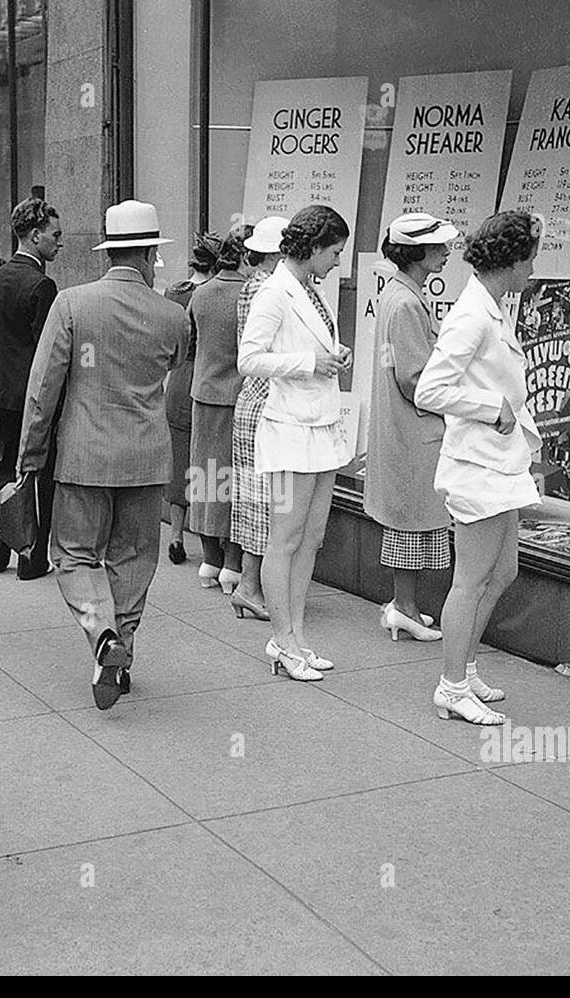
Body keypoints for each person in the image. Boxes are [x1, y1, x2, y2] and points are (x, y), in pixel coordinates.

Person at [18, 199, 189, 710]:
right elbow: (177, 360)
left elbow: (43, 387)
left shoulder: (72, 304)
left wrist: (30, 455)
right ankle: (121, 653)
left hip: (84, 456)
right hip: (146, 457)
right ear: (151, 252)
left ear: (109, 251)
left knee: (73, 554)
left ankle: (102, 635)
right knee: (134, 558)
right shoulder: (172, 316)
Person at [415, 211, 543, 725]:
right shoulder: (472, 314)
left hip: (498, 464)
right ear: (511, 261)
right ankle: (450, 685)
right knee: (469, 581)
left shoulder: (488, 306)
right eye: (530, 258)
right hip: (478, 466)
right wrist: (493, 408)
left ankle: (464, 669)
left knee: (503, 571)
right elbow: (430, 389)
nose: (533, 268)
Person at [237, 205, 351, 682]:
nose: (336, 262)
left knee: (312, 538)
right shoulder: (274, 292)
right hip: (289, 428)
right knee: (284, 540)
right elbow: (249, 358)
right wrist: (308, 363)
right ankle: (282, 640)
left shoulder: (304, 288)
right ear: (314, 247)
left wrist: (331, 356)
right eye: (334, 252)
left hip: (321, 425)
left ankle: (297, 637)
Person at [365, 213, 460, 643]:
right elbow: (413, 378)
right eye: (438, 247)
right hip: (415, 428)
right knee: (412, 522)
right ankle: (404, 605)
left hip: (404, 428)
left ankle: (404, 605)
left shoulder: (399, 295)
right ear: (417, 253)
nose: (445, 253)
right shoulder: (406, 302)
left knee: (409, 518)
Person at [0, 197, 63, 579]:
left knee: (2, 470)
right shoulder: (42, 286)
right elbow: (48, 353)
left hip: (2, 394)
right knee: (37, 475)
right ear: (34, 235)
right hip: (33, 397)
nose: (59, 242)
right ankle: (31, 558)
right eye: (55, 235)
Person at [186, 223, 250, 594]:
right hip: (238, 397)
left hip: (203, 394)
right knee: (236, 482)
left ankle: (208, 559)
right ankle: (231, 563)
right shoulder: (250, 296)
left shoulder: (202, 294)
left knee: (205, 477)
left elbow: (191, 344)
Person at [229, 216, 287, 621]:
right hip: (266, 406)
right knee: (263, 501)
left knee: (255, 499)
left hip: (251, 403)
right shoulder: (266, 290)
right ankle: (251, 586)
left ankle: (250, 585)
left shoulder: (251, 288)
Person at [163, 233, 222, 565]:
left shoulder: (174, 292)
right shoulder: (209, 296)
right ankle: (209, 543)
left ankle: (174, 535)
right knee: (206, 462)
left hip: (177, 379)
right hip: (203, 379)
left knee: (179, 460)